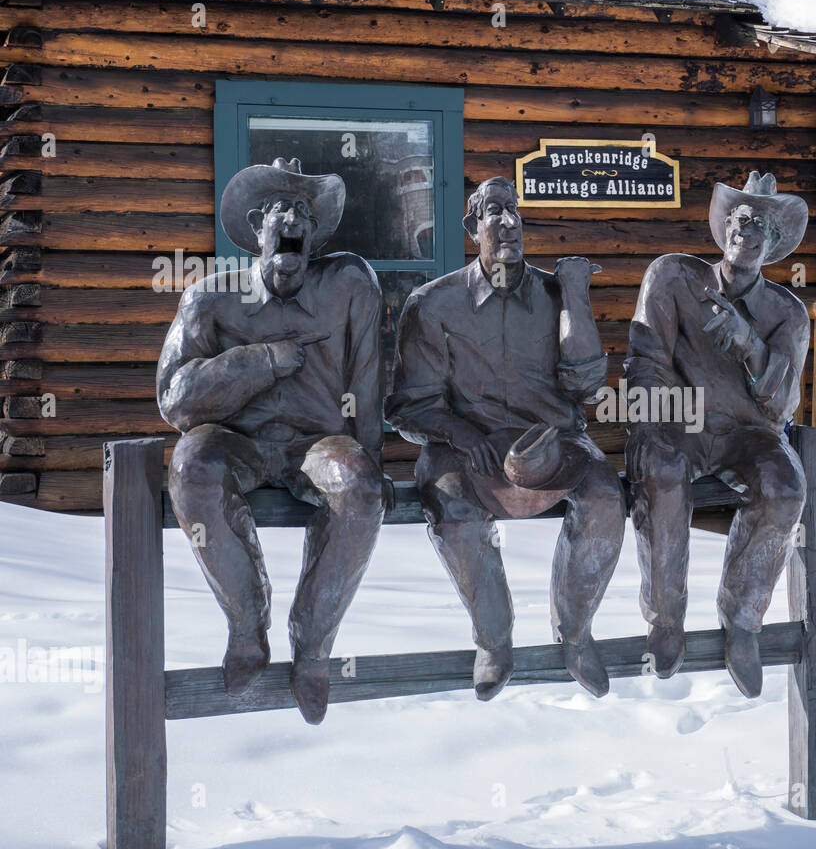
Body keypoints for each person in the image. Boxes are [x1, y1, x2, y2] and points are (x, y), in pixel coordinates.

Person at [157, 157, 388, 725]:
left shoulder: (350, 286)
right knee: (191, 467)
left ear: (314, 235)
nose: (293, 219)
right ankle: (246, 623)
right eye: (282, 210)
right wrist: (259, 362)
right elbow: (175, 397)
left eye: (304, 212)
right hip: (236, 440)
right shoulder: (210, 299)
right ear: (258, 227)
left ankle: (313, 644)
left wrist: (372, 459)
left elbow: (367, 381)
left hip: (316, 444)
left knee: (359, 487)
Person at [386, 177, 625, 701]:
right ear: (473, 228)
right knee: (451, 508)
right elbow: (407, 404)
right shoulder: (433, 304)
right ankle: (494, 639)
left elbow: (586, 385)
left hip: (553, 441)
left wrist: (577, 297)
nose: (509, 221)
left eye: (514, 210)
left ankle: (577, 631)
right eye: (494, 211)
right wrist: (461, 431)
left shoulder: (555, 293)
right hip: (463, 446)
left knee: (606, 497)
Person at [625, 171, 810, 697]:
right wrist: (651, 424)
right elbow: (646, 357)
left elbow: (783, 404)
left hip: (746, 432)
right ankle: (665, 617)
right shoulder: (673, 278)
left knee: (785, 486)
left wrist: (751, 346)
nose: (748, 232)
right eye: (741, 219)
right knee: (659, 469)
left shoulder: (787, 314)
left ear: (774, 246)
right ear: (724, 226)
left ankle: (743, 620)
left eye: (762, 227)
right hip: (679, 421)